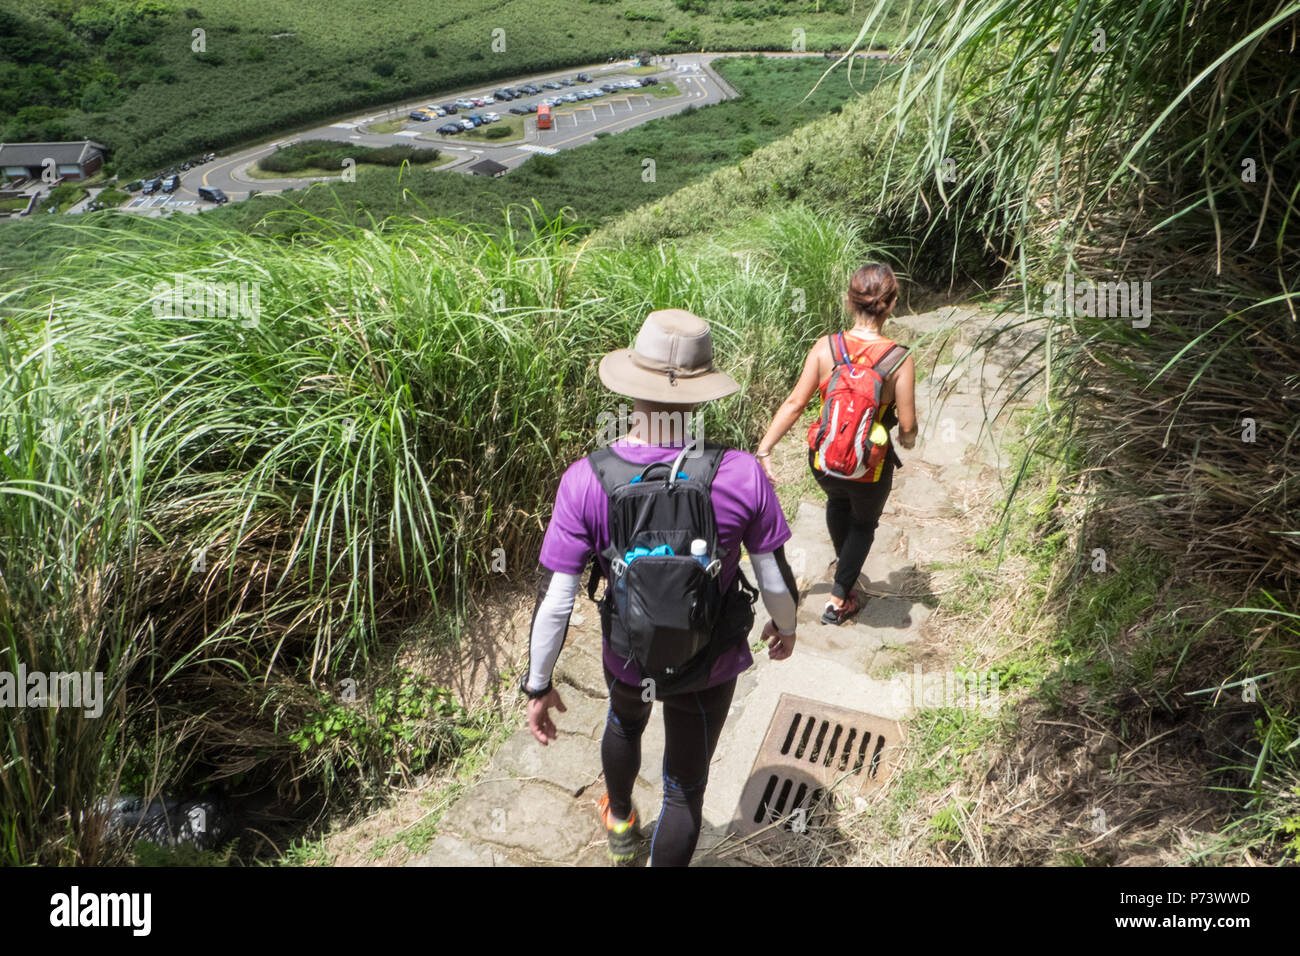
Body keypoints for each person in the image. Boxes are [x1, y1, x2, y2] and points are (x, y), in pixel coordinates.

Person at [523, 308, 802, 866]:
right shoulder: (741, 472)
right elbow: (773, 574)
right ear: (702, 392)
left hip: (630, 654)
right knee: (684, 788)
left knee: (626, 721)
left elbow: (556, 598)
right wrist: (786, 626)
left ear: (631, 387)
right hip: (710, 662)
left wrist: (538, 685)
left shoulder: (587, 478)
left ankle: (622, 821)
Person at [755, 263, 918, 625]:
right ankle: (839, 598)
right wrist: (906, 438)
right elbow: (906, 426)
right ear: (891, 304)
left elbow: (795, 404)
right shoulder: (899, 359)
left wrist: (765, 449)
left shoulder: (825, 347)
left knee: (836, 501)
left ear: (849, 300)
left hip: (823, 460)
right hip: (869, 465)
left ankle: (843, 569)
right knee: (863, 524)